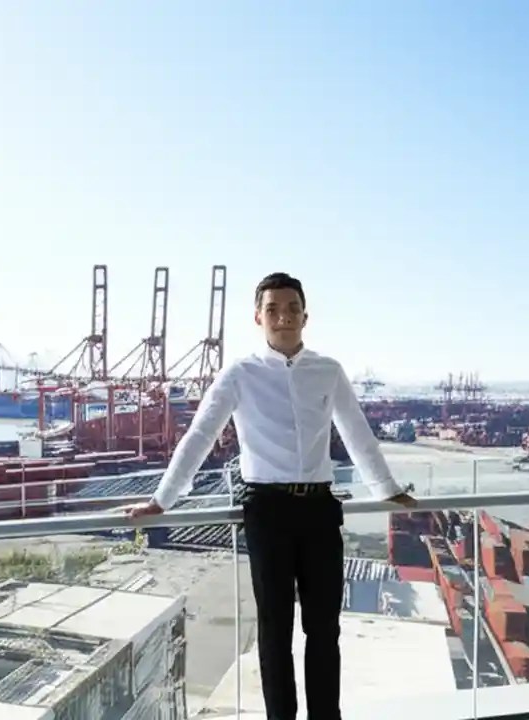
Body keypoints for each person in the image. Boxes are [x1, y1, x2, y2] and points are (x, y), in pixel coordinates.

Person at [125, 271, 417, 720]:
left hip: (321, 510)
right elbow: (200, 436)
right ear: (258, 316)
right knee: (275, 631)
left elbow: (358, 436)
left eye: (292, 308)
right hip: (268, 512)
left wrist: (388, 490)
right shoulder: (240, 374)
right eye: (274, 309)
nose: (284, 317)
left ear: (306, 315)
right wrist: (163, 500)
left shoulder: (328, 370)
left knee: (324, 630)